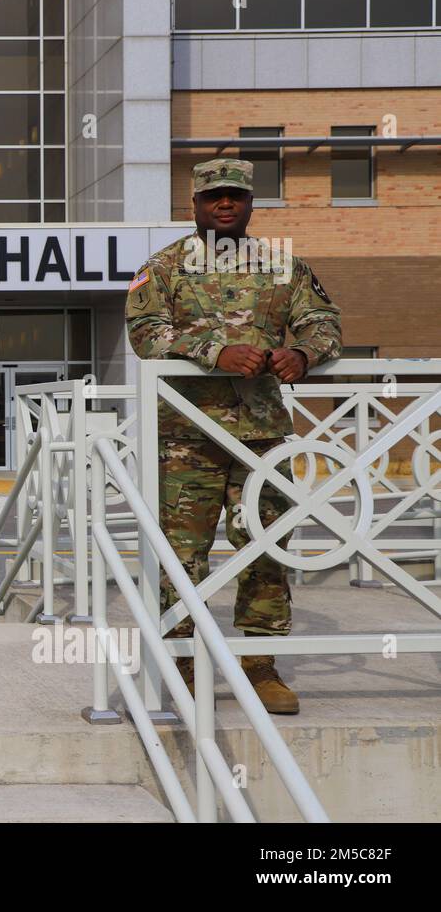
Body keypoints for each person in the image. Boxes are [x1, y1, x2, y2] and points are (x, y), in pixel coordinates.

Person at [125, 157, 341, 714]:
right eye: (214, 196)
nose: (226, 204)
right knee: (180, 555)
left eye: (236, 196)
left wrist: (303, 352)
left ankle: (261, 666)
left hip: (262, 438)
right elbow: (146, 334)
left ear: (250, 204)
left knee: (267, 549)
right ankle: (181, 662)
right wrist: (214, 352)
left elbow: (323, 321)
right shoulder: (165, 267)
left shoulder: (281, 266)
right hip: (184, 437)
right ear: (194, 204)